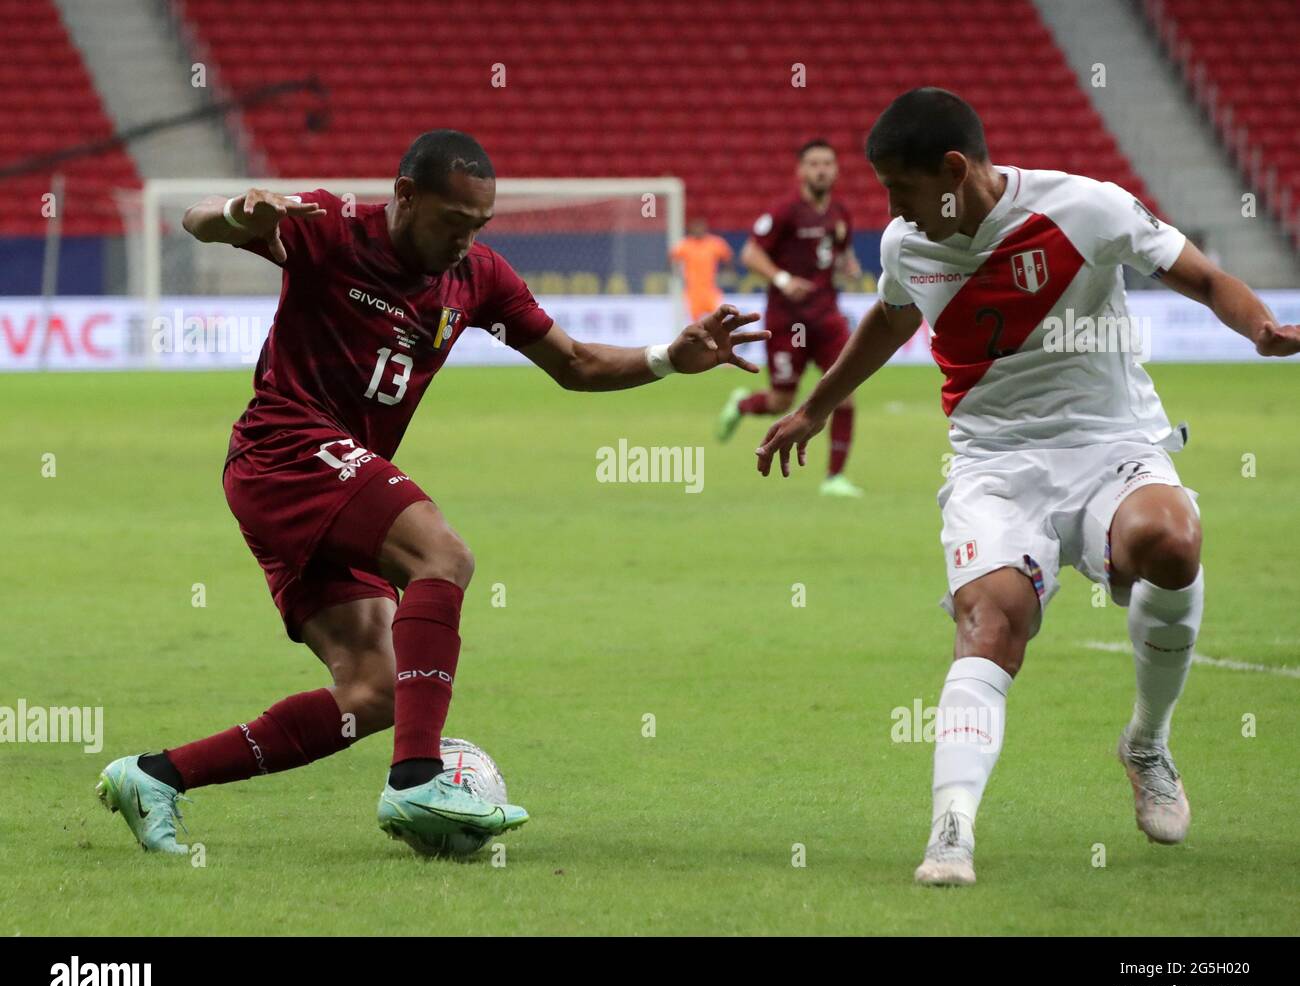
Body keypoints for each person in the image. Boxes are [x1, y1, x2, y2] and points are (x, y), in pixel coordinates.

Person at [96, 129, 767, 856]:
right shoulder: (330, 227)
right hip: (284, 450)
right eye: (454, 221)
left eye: (479, 225)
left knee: (375, 691)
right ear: (405, 196)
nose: (464, 239)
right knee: (440, 556)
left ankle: (155, 776)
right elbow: (198, 221)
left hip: (328, 484)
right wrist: (238, 213)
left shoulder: (477, 278)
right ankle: (418, 780)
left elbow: (574, 363)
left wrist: (671, 356)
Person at [754, 88, 1300, 885]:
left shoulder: (1087, 209)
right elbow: (891, 319)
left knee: (1173, 542)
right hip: (995, 465)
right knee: (992, 621)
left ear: (953, 170)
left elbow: (1205, 277)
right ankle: (951, 830)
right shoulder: (907, 244)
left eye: (899, 188)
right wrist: (816, 407)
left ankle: (1146, 744)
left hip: (1113, 442)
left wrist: (1262, 328)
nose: (892, 209)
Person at [718, 139, 865, 498]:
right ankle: (741, 405)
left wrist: (849, 267)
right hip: (788, 320)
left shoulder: (841, 213)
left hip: (828, 318)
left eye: (827, 163)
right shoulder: (785, 211)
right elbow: (750, 254)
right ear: (800, 171)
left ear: (836, 170)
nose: (821, 170)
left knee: (843, 395)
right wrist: (783, 280)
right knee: (782, 400)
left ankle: (834, 479)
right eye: (813, 164)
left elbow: (842, 256)